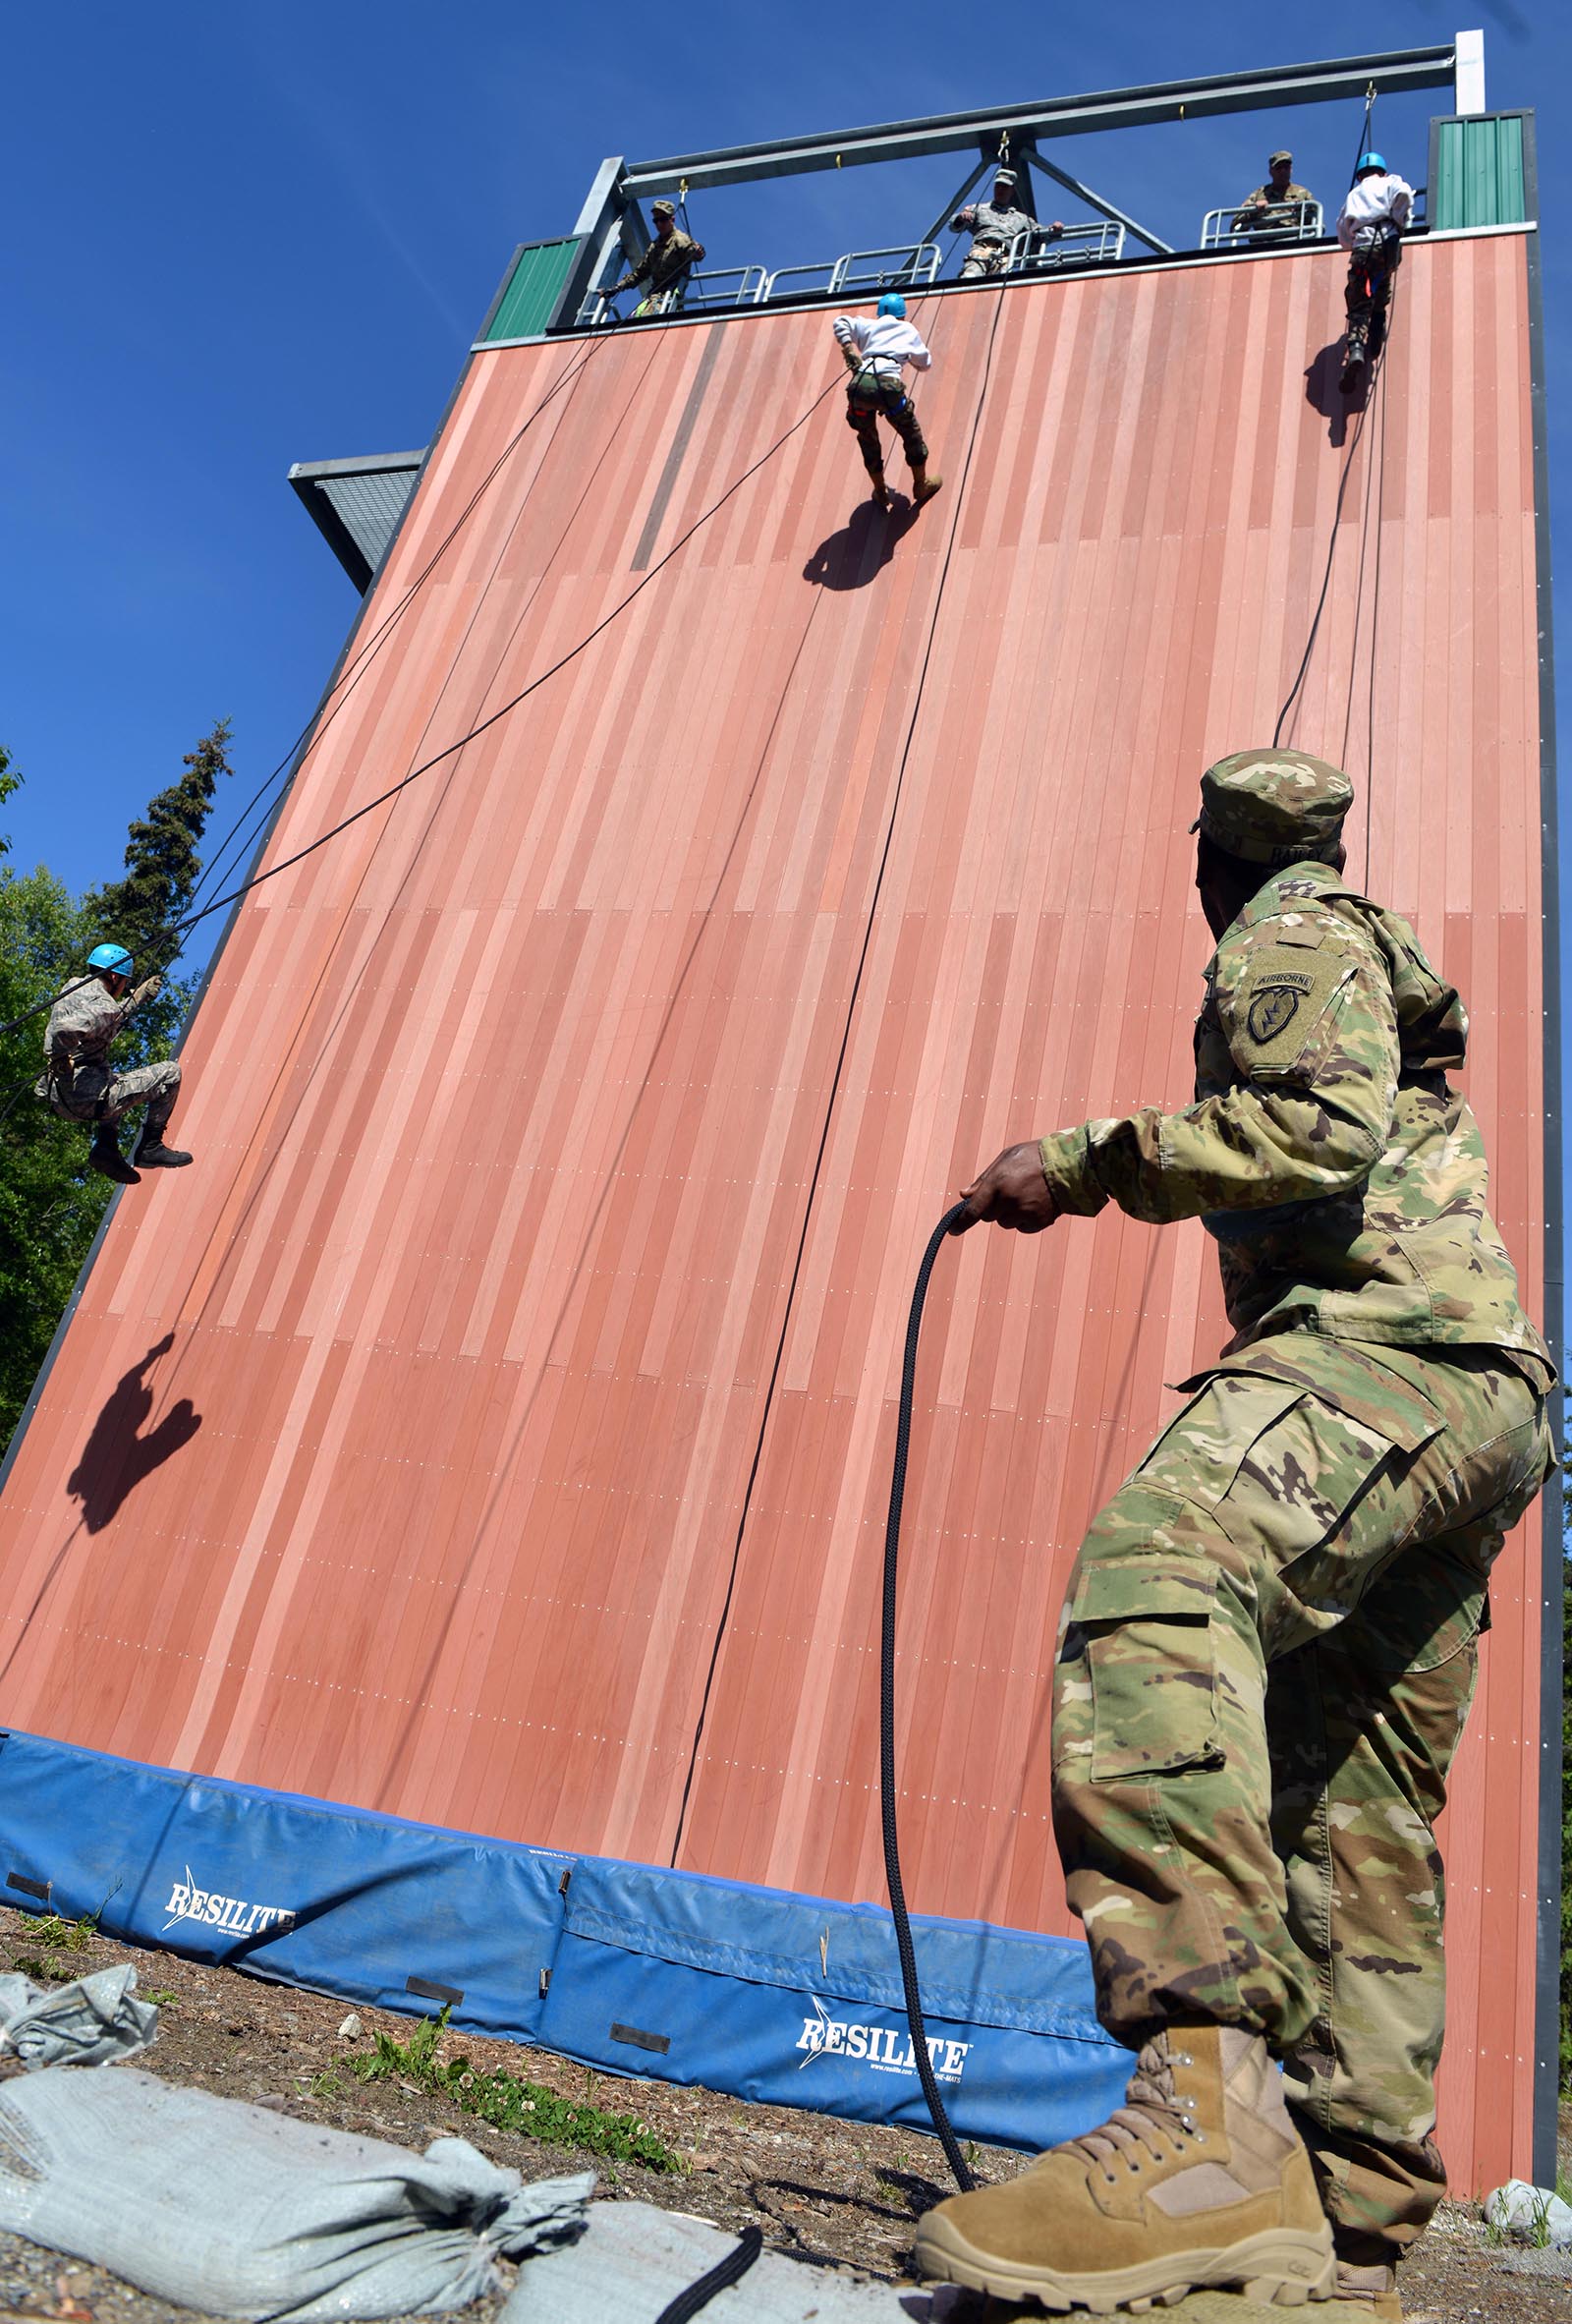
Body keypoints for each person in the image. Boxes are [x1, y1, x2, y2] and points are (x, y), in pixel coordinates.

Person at [915, 749, 1555, 2320]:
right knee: (1353, 1806)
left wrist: (1075, 1162)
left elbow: (1315, 1130)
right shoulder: (1364, 947)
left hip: (1382, 1349)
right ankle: (1334, 2246)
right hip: (1479, 1399)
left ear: (1216, 857)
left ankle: (1206, 2115)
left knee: (1164, 1567)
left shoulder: (1283, 932)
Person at [36, 942, 192, 1184]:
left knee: (113, 1080)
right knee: (171, 1073)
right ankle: (150, 1147)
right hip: (86, 1099)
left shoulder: (74, 986)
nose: (124, 987)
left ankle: (106, 1148)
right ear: (114, 975)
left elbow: (102, 1024)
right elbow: (63, 1029)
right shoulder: (105, 1004)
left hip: (59, 1097)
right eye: (125, 982)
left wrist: (137, 998)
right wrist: (58, 1055)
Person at [832, 294, 942, 511]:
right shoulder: (908, 330)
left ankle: (880, 490)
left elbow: (840, 322)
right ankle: (921, 484)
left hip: (859, 386)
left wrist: (849, 351)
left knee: (867, 437)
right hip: (887, 387)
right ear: (902, 315)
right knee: (911, 433)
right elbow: (925, 363)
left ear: (880, 312)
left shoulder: (868, 326)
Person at [1337, 151, 1413, 390]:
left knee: (1358, 300)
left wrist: (1355, 241)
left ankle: (1357, 346)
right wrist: (1398, 221)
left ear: (1360, 176)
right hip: (1388, 247)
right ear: (1383, 171)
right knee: (1383, 281)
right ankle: (1378, 323)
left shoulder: (1354, 194)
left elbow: (1343, 233)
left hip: (1363, 250)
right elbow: (1404, 195)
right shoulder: (1391, 182)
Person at [950, 169, 1063, 279]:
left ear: (1012, 190)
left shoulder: (1021, 219)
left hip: (1004, 260)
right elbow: (954, 226)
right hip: (980, 253)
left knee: (997, 291)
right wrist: (961, 218)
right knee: (969, 280)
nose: (1000, 190)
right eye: (998, 186)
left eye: (1004, 187)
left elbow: (1041, 233)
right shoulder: (979, 209)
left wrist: (1053, 229)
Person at [606, 199, 705, 316]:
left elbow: (692, 252)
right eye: (656, 220)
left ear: (672, 220)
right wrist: (617, 288)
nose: (659, 224)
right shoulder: (654, 247)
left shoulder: (679, 239)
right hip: (652, 298)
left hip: (668, 297)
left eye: (663, 220)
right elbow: (639, 273)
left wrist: (698, 252)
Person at [1231, 148, 1318, 237]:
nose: (1283, 171)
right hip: (1264, 245)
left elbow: (1316, 223)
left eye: (1286, 167)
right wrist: (1254, 210)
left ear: (1291, 170)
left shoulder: (1302, 193)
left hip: (1292, 244)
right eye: (1279, 168)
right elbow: (1235, 224)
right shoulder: (1259, 194)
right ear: (1271, 172)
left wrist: (1303, 210)